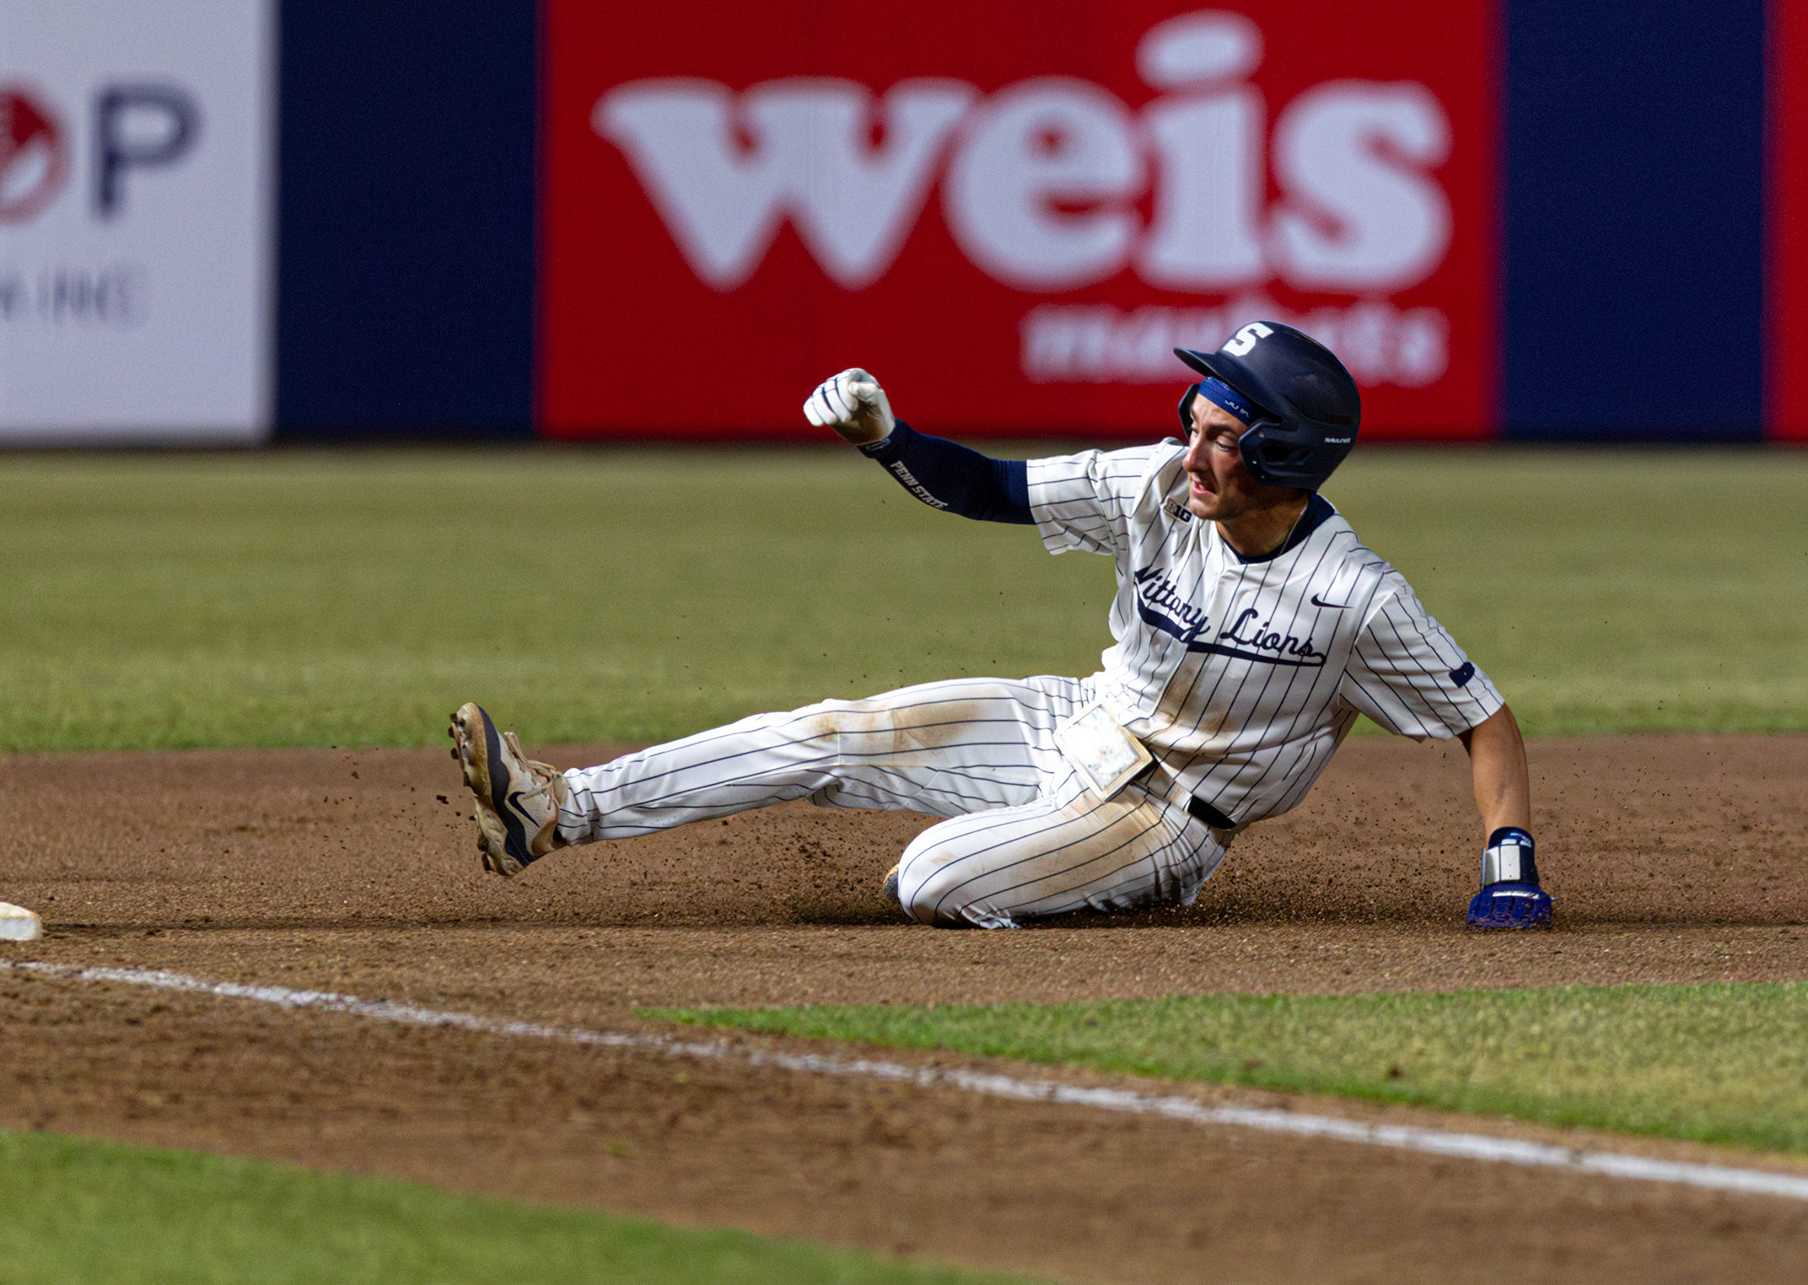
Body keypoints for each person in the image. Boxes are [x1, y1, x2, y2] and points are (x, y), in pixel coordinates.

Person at [448, 321, 1553, 931]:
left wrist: (1510, 866)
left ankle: (1098, 886)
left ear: (1286, 457)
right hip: (1074, 720)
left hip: (1172, 818)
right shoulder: (1159, 484)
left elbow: (1483, 721)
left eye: (1224, 431)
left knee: (931, 879)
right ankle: (561, 809)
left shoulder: (1356, 595)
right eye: (1196, 418)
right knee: (831, 732)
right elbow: (991, 489)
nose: (1193, 443)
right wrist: (893, 440)